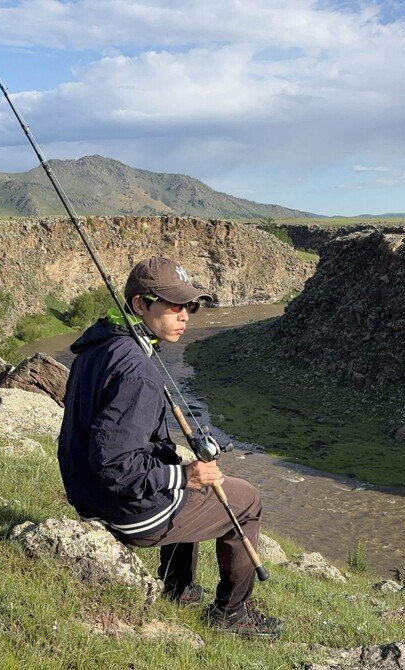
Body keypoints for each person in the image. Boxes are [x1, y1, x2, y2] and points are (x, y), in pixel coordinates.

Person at [57, 256, 283, 639]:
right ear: (141, 305)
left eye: (189, 307)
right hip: (123, 510)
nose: (185, 316)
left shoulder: (98, 345)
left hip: (87, 496)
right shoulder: (136, 370)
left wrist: (177, 466)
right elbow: (115, 465)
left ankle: (179, 589)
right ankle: (231, 614)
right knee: (246, 500)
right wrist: (186, 474)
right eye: (175, 306)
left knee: (176, 465)